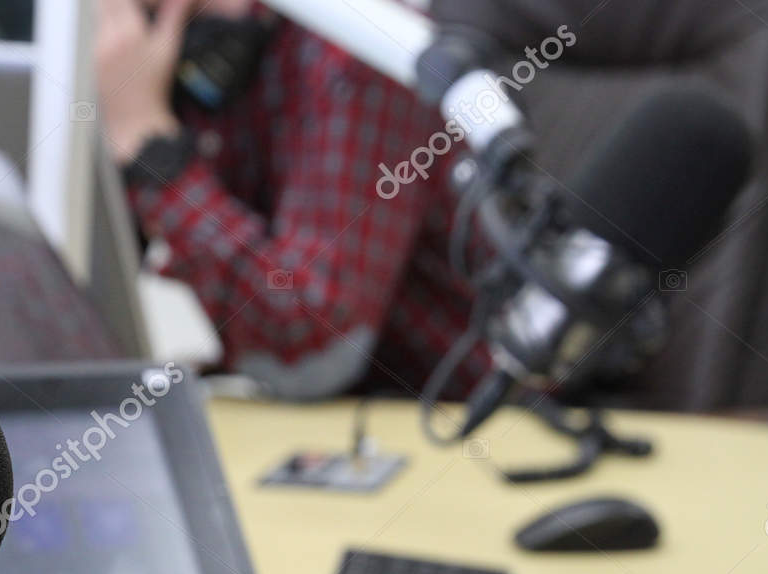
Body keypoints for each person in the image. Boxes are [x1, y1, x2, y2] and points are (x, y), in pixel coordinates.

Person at [95, 0, 489, 399]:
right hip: (325, 420)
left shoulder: (357, 47)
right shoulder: (140, 53)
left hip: (472, 416)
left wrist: (147, 145)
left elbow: (316, 350)